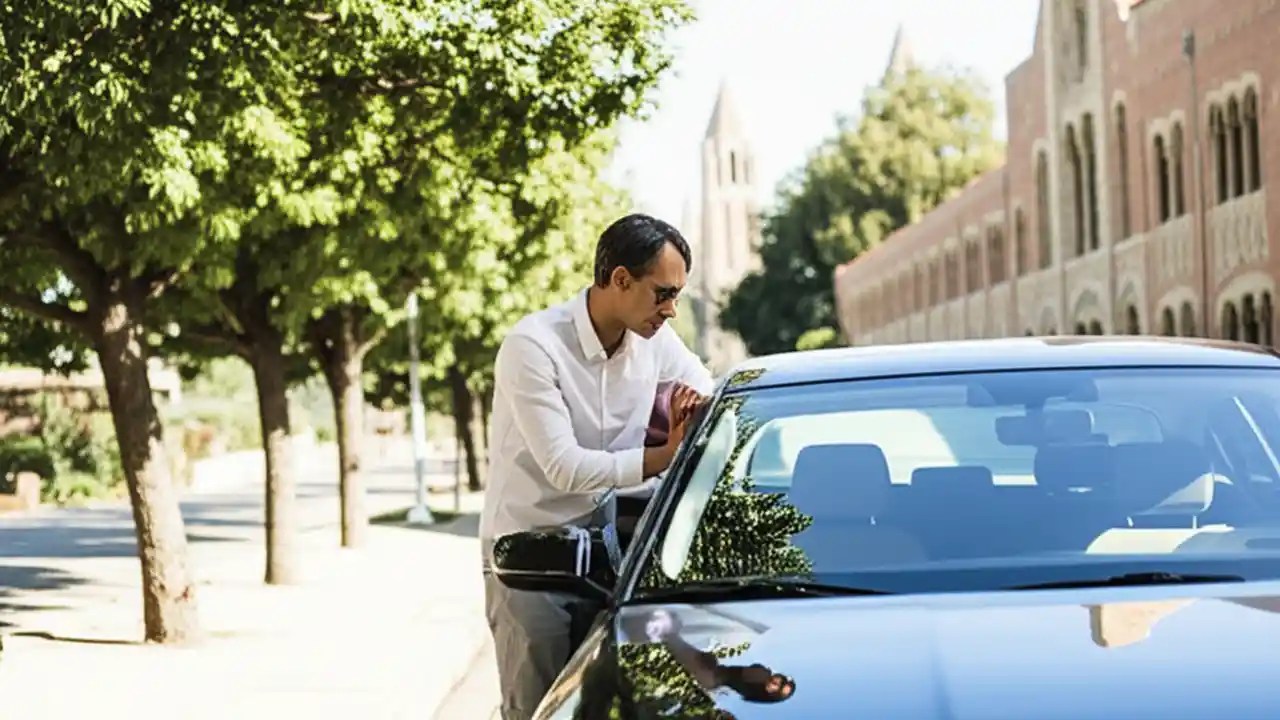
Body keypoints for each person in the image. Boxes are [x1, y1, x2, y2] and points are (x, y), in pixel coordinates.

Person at [480, 213, 716, 720]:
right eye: (663, 293)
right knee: (534, 711)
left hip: (602, 560)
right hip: (528, 561)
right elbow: (565, 468)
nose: (673, 310)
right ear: (620, 280)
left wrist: (691, 406)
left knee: (598, 710)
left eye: (678, 295)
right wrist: (660, 458)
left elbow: (708, 392)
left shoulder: (654, 342)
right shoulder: (534, 345)